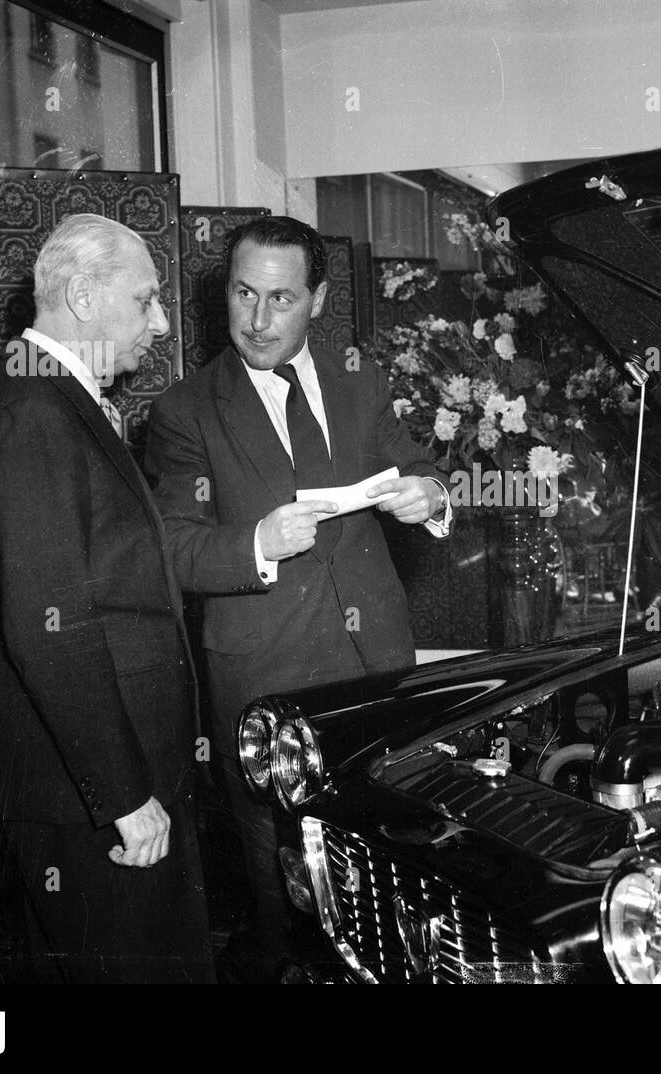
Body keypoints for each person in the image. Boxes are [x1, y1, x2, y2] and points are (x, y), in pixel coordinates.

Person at [144, 216, 451, 977]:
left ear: (317, 299)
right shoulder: (185, 410)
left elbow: (419, 466)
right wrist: (256, 545)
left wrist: (430, 493)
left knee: (390, 880)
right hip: (265, 685)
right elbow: (173, 548)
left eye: (281, 299)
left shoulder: (361, 382)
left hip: (377, 667)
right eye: (244, 294)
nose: (257, 320)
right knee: (289, 891)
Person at [0, 213, 214, 983]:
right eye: (147, 300)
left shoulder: (52, 396)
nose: (162, 324)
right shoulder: (33, 414)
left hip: (97, 782)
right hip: (91, 797)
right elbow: (48, 628)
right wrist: (125, 796)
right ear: (84, 296)